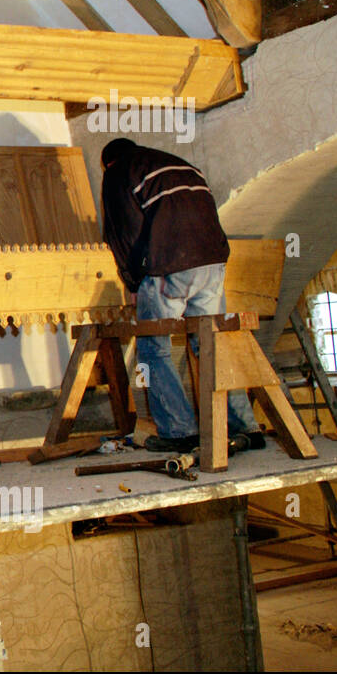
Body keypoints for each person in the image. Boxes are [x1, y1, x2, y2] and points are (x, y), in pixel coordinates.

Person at [99, 137, 264, 453]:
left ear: (109, 162)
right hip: (212, 261)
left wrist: (133, 283)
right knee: (213, 344)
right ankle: (246, 427)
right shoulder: (179, 164)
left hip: (169, 265)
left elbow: (123, 232)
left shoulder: (119, 172)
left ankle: (178, 431)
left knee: (154, 348)